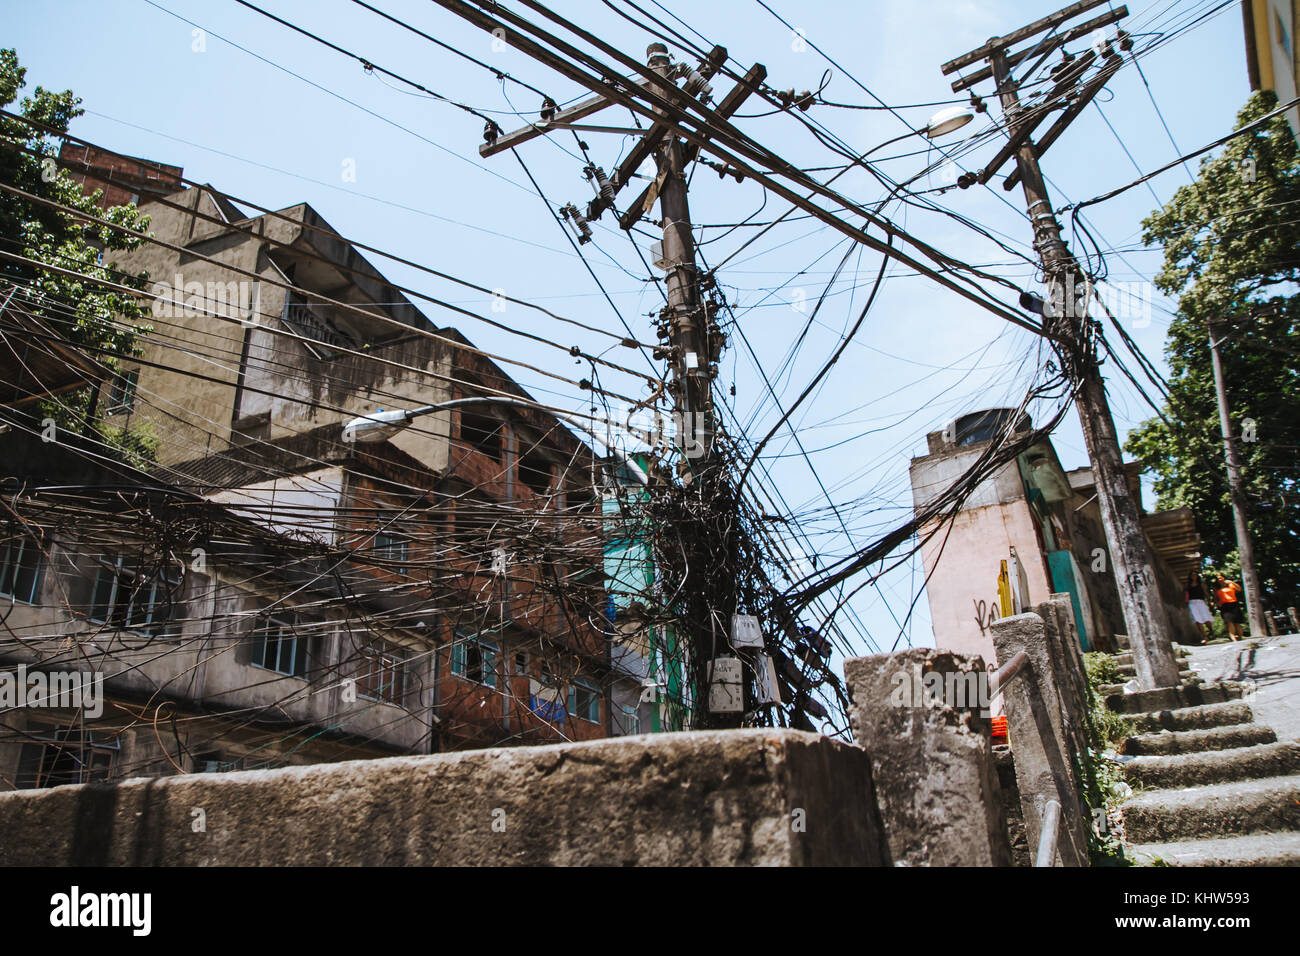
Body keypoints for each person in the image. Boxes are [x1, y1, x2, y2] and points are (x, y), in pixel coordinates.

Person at [1214, 575, 1245, 641]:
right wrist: (1217, 603)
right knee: (1229, 622)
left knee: (1237, 622)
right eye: (1218, 578)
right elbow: (1215, 597)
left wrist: (1232, 582)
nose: (1219, 579)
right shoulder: (1216, 587)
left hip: (1233, 603)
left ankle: (1240, 637)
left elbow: (1239, 589)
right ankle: (1233, 638)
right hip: (1224, 605)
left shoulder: (1230, 584)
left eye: (1220, 577)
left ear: (1223, 577)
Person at [1184, 571, 1214, 639]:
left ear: (1197, 576)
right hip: (1192, 603)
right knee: (1197, 619)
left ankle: (1211, 631)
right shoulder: (1187, 585)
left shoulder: (1201, 584)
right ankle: (1204, 636)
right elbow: (1184, 593)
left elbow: (1206, 593)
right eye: (1192, 575)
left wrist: (1210, 601)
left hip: (1201, 602)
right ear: (1190, 577)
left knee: (1206, 618)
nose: (1194, 576)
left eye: (1195, 575)